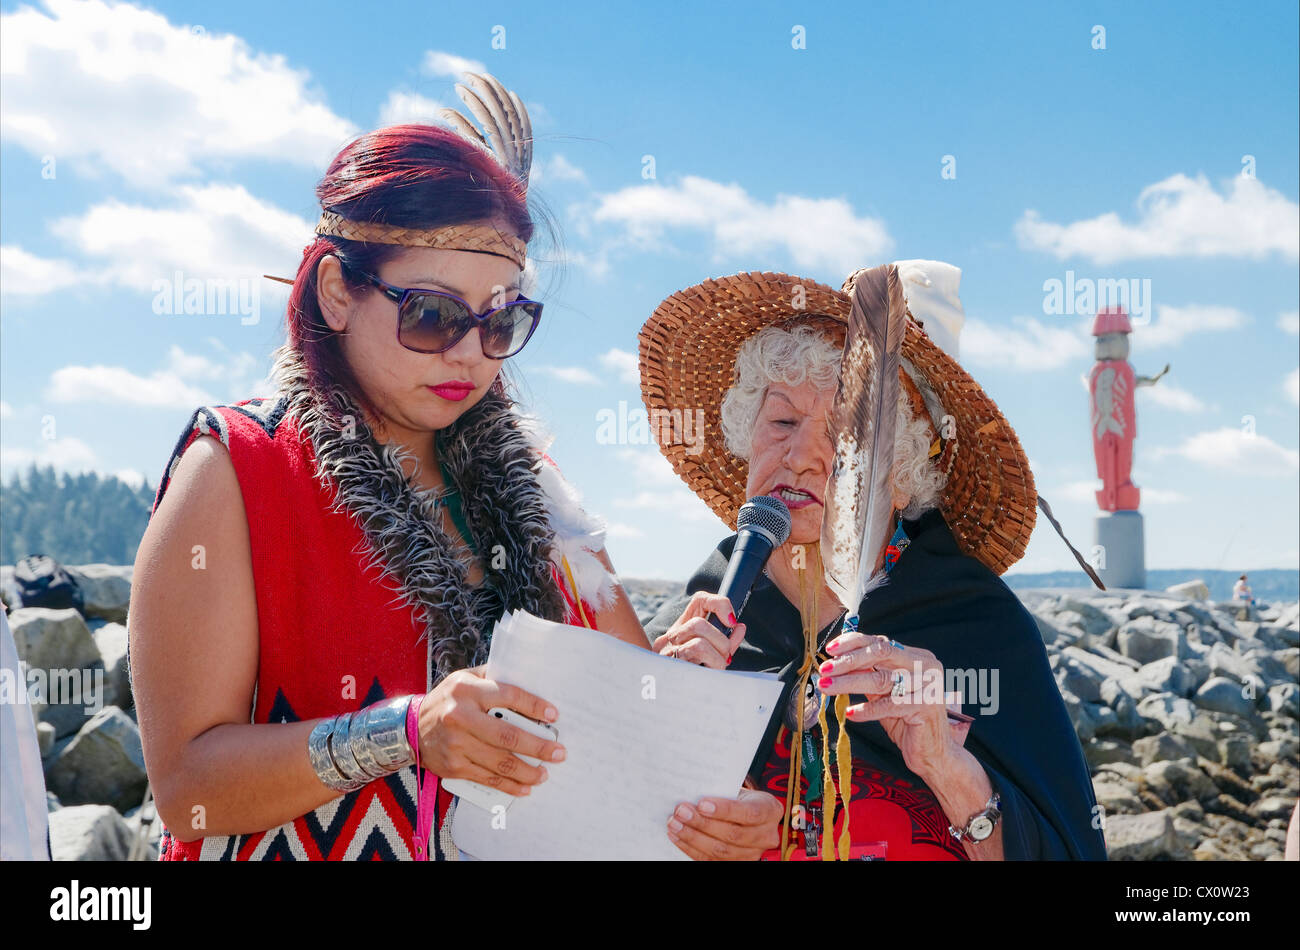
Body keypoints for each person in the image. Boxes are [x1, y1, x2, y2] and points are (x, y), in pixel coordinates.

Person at [130, 73, 653, 861]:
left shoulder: (536, 490)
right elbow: (187, 791)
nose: (471, 353)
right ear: (337, 291)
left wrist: (692, 762)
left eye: (501, 320)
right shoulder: (236, 469)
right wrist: (401, 733)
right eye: (434, 314)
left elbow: (627, 721)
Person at [642, 264, 1108, 860]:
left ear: (904, 474)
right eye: (782, 420)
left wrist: (948, 768)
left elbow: (1068, 852)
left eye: (844, 436)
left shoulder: (974, 620)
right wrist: (658, 725)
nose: (802, 456)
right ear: (747, 432)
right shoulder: (709, 604)